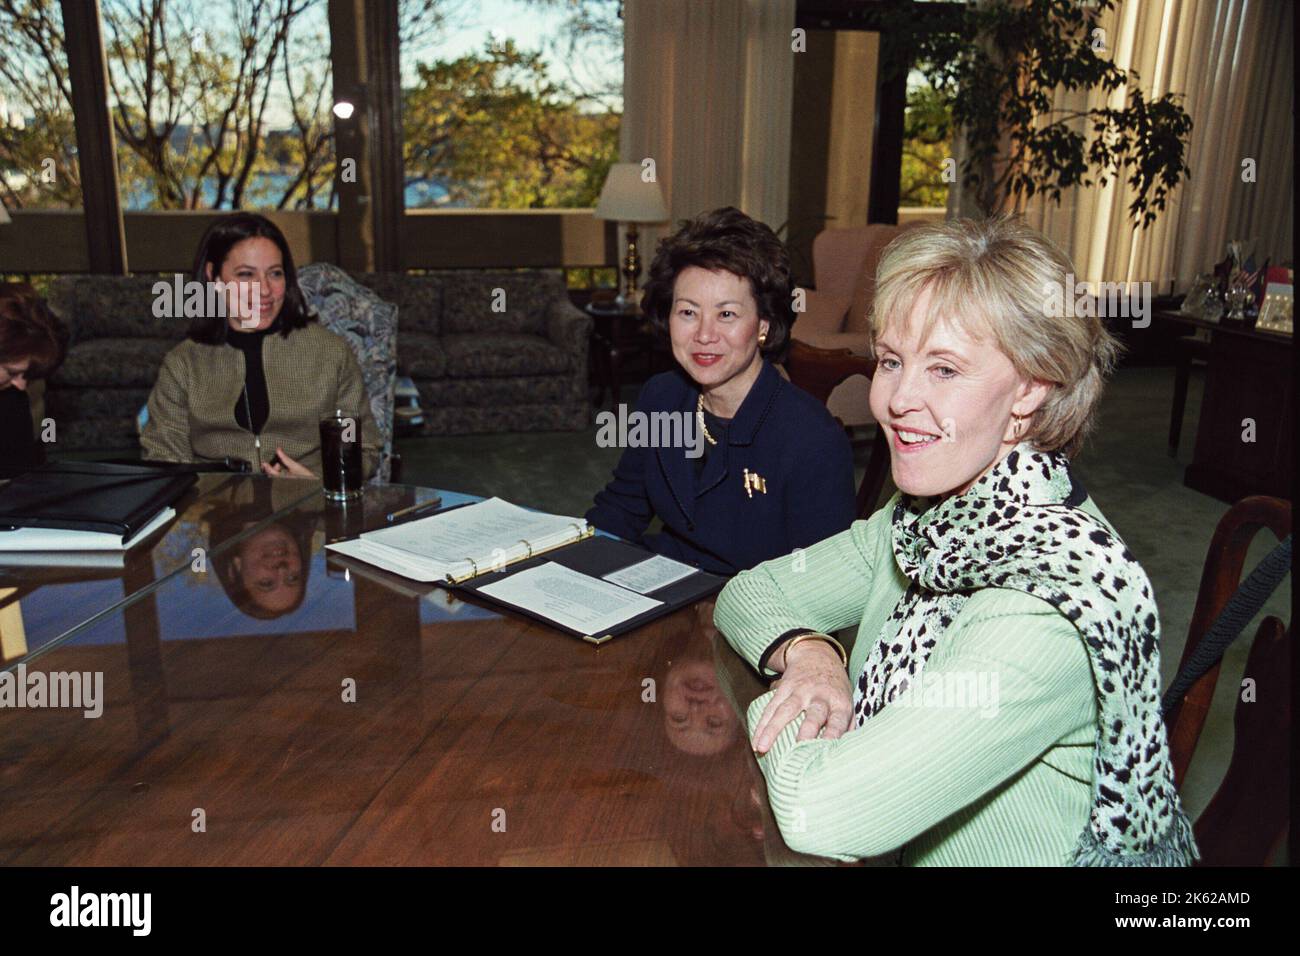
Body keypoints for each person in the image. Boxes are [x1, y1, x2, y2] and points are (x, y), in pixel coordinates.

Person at [714, 215, 1197, 866]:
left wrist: (780, 706)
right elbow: (753, 589)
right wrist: (810, 656)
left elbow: (818, 809)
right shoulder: (929, 516)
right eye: (891, 359)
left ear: (1031, 387)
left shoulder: (1051, 607)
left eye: (944, 369)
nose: (896, 399)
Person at [585, 207, 855, 575]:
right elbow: (623, 506)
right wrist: (571, 566)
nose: (704, 335)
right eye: (688, 312)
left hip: (757, 613)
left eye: (726, 314)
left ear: (763, 326)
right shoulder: (661, 398)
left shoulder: (811, 438)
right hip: (663, 586)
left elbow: (820, 580)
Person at [141, 213, 380, 479]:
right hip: (214, 513)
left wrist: (321, 481)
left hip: (313, 513)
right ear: (213, 276)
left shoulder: (331, 353)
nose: (264, 290)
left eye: (275, 274)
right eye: (246, 274)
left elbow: (364, 449)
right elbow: (164, 460)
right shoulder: (183, 364)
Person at [0, 282, 68, 474]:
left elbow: (19, 474)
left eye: (27, 375)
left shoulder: (11, 396)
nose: (21, 385)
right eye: (12, 372)